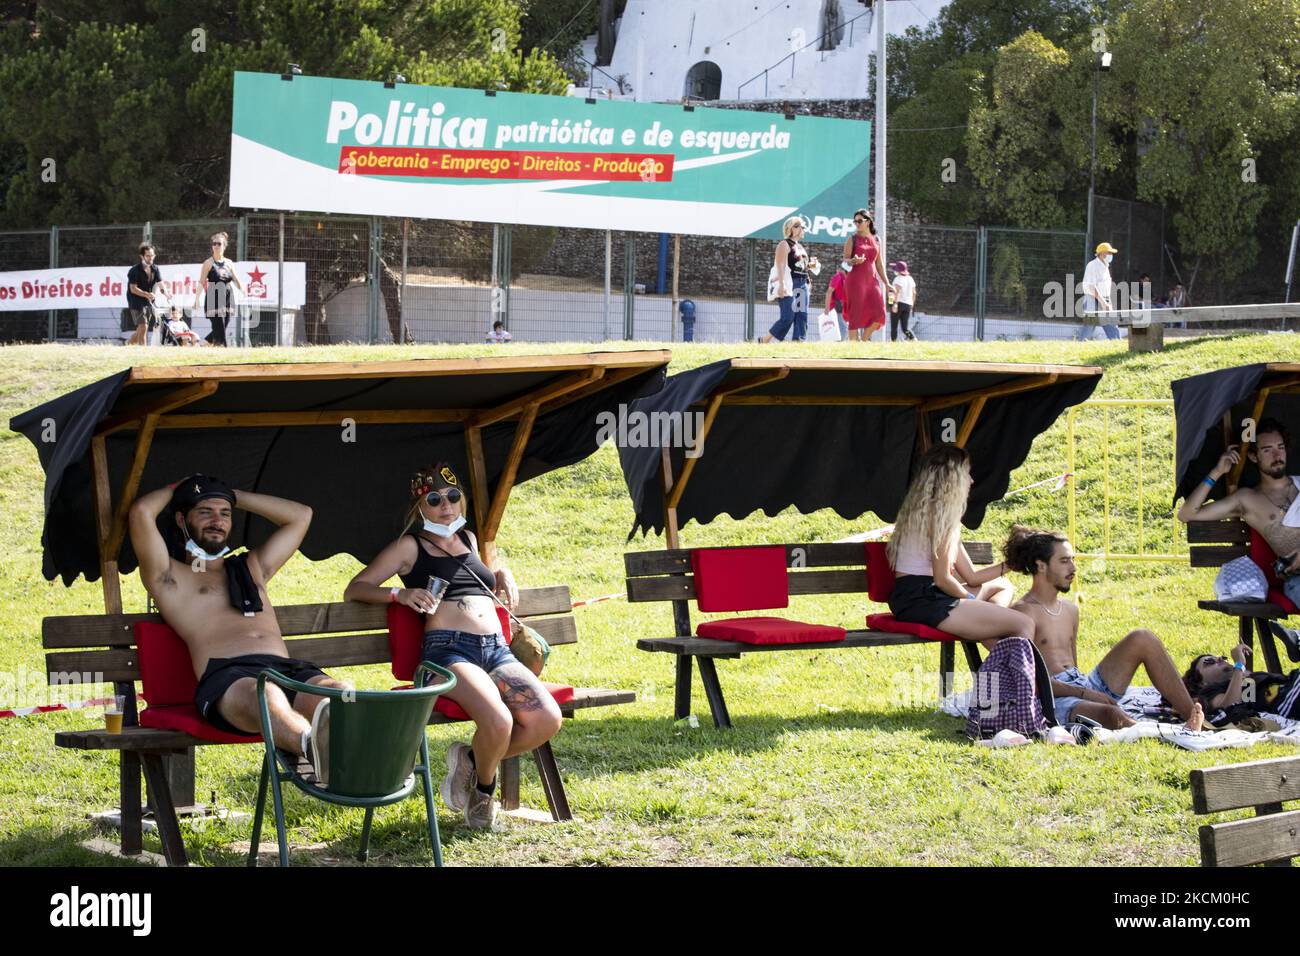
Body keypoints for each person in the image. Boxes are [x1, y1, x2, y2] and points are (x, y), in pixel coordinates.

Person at [343, 463, 562, 830]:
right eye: (434, 499)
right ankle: (483, 797)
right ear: (420, 507)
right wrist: (400, 593)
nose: (445, 505)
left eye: (453, 496)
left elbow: (483, 574)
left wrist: (503, 572)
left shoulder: (470, 539)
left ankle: (471, 762)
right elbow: (356, 588)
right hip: (449, 652)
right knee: (499, 721)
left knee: (546, 720)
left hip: (496, 649)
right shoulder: (409, 546)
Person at [128, 476, 348, 782]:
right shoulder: (169, 577)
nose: (217, 521)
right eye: (205, 512)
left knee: (339, 695)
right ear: (181, 518)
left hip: (287, 670)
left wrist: (234, 495)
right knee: (267, 694)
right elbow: (141, 513)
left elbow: (301, 516)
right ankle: (315, 752)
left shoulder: (252, 567)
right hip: (229, 679)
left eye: (225, 513)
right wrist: (178, 487)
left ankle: (369, 760)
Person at [1005, 526, 1204, 731]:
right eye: (1064, 561)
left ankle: (1195, 721)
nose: (1073, 568)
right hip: (1053, 699)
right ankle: (1166, 734)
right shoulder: (1023, 614)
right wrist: (1085, 695)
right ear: (1041, 566)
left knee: (1143, 638)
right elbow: (1030, 682)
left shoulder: (1070, 610)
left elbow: (1073, 667)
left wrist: (1088, 692)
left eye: (1073, 559)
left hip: (1082, 685)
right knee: (1112, 714)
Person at [885, 444, 1034, 647]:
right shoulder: (940, 518)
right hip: (924, 599)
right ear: (952, 479)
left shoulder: (925, 512)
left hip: (913, 597)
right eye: (967, 473)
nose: (971, 480)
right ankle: (1027, 677)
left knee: (1003, 586)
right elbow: (943, 580)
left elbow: (972, 577)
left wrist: (1010, 565)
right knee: (1024, 623)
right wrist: (973, 601)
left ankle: (987, 628)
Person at [1177, 417, 1300, 612]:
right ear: (1253, 456)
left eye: (1281, 447)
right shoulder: (1247, 499)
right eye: (1267, 450)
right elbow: (1187, 514)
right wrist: (1217, 472)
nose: (1277, 454)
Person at [1182, 645, 1300, 723]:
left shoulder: (1243, 678)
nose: (1219, 660)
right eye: (1209, 662)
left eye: (1222, 658)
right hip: (1286, 702)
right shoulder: (1210, 692)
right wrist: (1239, 665)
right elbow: (1228, 707)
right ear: (1202, 683)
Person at [759, 217, 817, 343]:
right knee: (788, 316)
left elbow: (802, 266)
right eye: (798, 226)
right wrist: (781, 284)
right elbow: (780, 265)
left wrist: (810, 267)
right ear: (790, 229)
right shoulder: (784, 244)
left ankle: (799, 341)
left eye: (803, 226)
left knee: (802, 315)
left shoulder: (800, 246)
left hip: (802, 283)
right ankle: (764, 340)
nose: (802, 228)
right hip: (790, 283)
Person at [841, 208, 888, 342]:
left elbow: (879, 264)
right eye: (855, 221)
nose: (857, 224)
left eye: (860, 221)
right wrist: (852, 261)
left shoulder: (877, 240)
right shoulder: (852, 239)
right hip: (855, 281)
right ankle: (853, 347)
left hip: (872, 282)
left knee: (880, 313)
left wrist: (887, 283)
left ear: (868, 222)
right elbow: (844, 262)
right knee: (855, 315)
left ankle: (863, 341)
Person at [196, 232, 244, 347]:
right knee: (219, 323)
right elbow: (202, 282)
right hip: (213, 294)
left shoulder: (229, 263)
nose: (216, 246)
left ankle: (207, 342)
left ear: (224, 246)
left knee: (225, 323)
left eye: (219, 243)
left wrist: (242, 289)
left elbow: (235, 279)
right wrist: (197, 299)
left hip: (227, 294)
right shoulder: (208, 263)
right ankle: (221, 346)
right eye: (214, 243)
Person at [1075, 241, 1119, 340]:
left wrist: (1108, 302)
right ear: (1102, 253)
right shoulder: (1093, 265)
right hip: (1092, 300)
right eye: (1109, 253)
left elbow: (1105, 287)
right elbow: (1091, 287)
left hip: (1103, 300)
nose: (1111, 255)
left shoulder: (1105, 266)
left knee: (1111, 324)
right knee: (1089, 327)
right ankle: (1081, 345)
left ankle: (1117, 343)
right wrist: (1103, 302)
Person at [125, 242, 163, 346]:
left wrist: (166, 293)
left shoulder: (155, 268)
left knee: (141, 328)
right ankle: (143, 350)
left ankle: (128, 344)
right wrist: (147, 294)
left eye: (152, 255)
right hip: (135, 301)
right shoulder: (134, 270)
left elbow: (160, 283)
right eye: (148, 256)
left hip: (148, 301)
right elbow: (133, 289)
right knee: (144, 326)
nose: (151, 258)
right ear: (142, 256)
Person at [890, 261, 917, 342]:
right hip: (908, 305)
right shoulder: (910, 278)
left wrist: (894, 304)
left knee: (894, 326)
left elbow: (896, 292)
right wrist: (912, 305)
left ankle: (893, 342)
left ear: (898, 271)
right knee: (905, 327)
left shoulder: (898, 279)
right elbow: (914, 293)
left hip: (899, 303)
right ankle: (914, 339)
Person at [824, 266, 849, 341]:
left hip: (844, 308)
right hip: (837, 308)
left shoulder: (847, 278)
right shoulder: (838, 277)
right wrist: (827, 309)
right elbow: (829, 292)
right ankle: (840, 346)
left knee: (844, 329)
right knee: (843, 329)